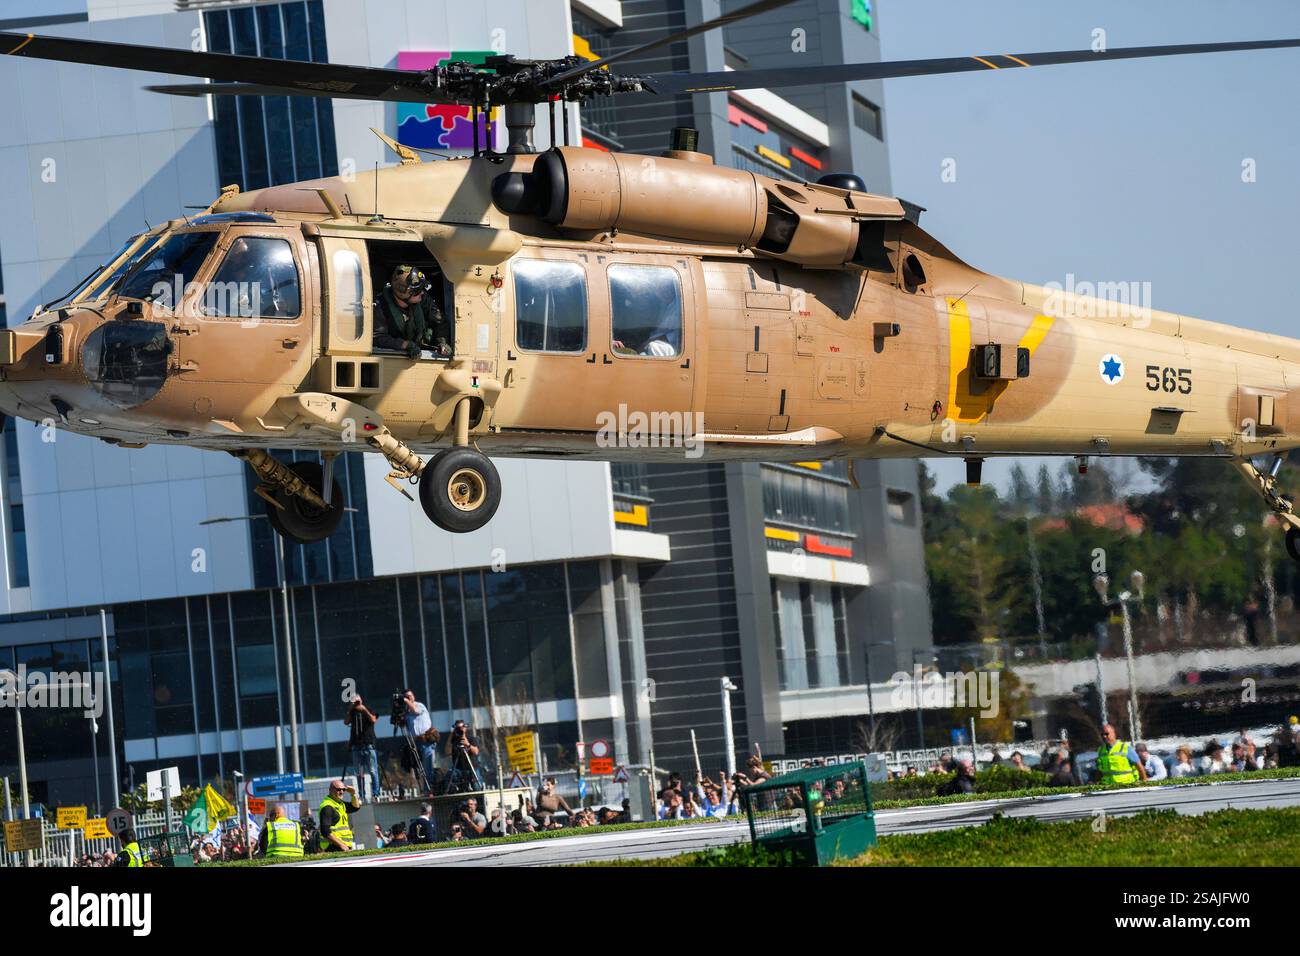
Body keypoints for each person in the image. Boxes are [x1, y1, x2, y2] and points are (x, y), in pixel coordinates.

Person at [373, 264, 449, 358]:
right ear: (403, 293)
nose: (422, 292)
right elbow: (377, 337)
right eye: (417, 290)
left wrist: (442, 342)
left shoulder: (422, 298)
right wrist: (405, 345)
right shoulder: (380, 307)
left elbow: (439, 322)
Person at [398, 689, 439, 794]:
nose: (408, 698)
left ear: (413, 696)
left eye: (410, 696)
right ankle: (422, 788)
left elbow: (415, 711)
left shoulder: (419, 705)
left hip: (426, 740)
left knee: (427, 766)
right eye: (406, 697)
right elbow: (402, 725)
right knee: (418, 767)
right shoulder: (405, 711)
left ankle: (429, 789)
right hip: (416, 741)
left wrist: (406, 701)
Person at [346, 695, 381, 800]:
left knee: (373, 771)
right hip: (356, 746)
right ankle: (362, 795)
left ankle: (376, 794)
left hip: (368, 745)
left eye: (357, 700)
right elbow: (346, 722)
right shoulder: (352, 712)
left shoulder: (368, 709)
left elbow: (373, 720)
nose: (356, 702)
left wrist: (364, 709)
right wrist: (351, 707)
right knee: (359, 773)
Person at [318, 779, 361, 852]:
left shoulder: (340, 804)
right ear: (330, 790)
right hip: (333, 846)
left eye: (343, 790)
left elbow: (355, 807)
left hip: (343, 847)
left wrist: (353, 794)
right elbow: (325, 831)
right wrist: (341, 845)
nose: (341, 792)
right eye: (338, 789)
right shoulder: (327, 807)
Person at [443, 719, 481, 792]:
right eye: (458, 728)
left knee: (476, 788)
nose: (460, 730)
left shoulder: (471, 738)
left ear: (465, 728)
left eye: (462, 727)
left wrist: (468, 745)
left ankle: (480, 800)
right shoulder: (453, 740)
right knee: (452, 779)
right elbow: (447, 752)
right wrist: (451, 735)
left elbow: (476, 752)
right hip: (458, 769)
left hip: (472, 768)